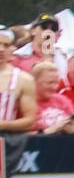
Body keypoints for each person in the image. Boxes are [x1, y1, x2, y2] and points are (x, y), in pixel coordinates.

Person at [0, 28, 39, 164]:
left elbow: (31, 121)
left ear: (12, 48)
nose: (1, 49)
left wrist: (3, 125)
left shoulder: (23, 79)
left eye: (6, 45)